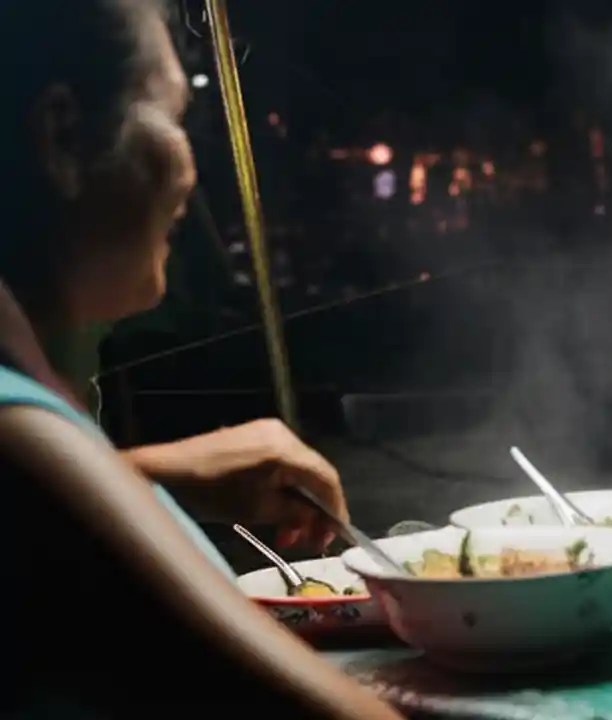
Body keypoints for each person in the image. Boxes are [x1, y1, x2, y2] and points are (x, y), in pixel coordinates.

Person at [0, 0, 398, 715]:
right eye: (173, 114)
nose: (192, 171)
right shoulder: (18, 436)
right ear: (62, 136)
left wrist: (144, 475)